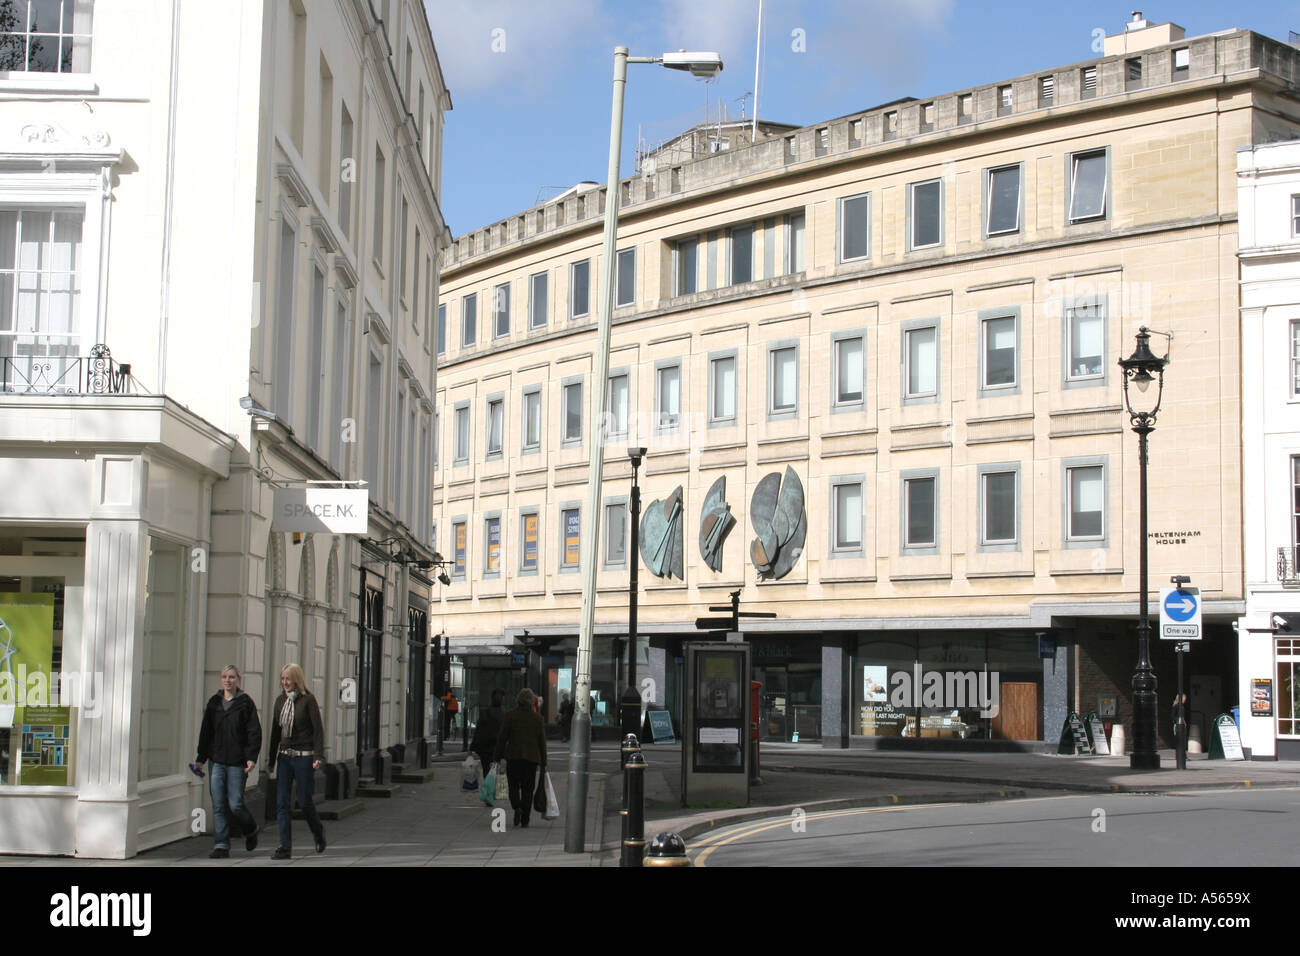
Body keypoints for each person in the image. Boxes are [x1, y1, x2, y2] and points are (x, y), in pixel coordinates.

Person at [195, 665, 262, 859]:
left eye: (231, 677)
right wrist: (201, 758)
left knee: (236, 804)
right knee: (218, 804)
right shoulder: (214, 703)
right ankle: (221, 844)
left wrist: (251, 757)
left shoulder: (245, 703)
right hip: (216, 761)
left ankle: (251, 829)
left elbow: (254, 732)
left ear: (238, 679)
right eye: (224, 677)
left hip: (236, 762)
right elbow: (206, 731)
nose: (228, 680)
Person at [267, 663, 326, 859]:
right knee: (282, 803)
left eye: (288, 679)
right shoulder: (279, 701)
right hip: (284, 757)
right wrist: (271, 760)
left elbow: (318, 730)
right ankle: (285, 847)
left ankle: (318, 832)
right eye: (282, 679)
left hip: (304, 758)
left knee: (304, 801)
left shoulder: (308, 701)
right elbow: (276, 732)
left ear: (296, 680)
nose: (285, 682)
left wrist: (318, 756)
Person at [493, 687, 548, 827]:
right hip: (531, 759)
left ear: (518, 700)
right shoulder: (537, 719)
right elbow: (542, 742)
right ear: (531, 701)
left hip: (513, 756)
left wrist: (497, 756)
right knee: (528, 789)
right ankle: (525, 818)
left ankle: (516, 807)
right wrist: (544, 762)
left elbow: (502, 737)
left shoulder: (510, 715)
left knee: (513, 786)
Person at [470, 688, 505, 780]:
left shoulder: (484, 712)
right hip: (498, 749)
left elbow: (478, 731)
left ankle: (488, 790)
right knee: (497, 772)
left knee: (487, 771)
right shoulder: (504, 715)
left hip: (485, 749)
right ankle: (494, 790)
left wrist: (472, 748)